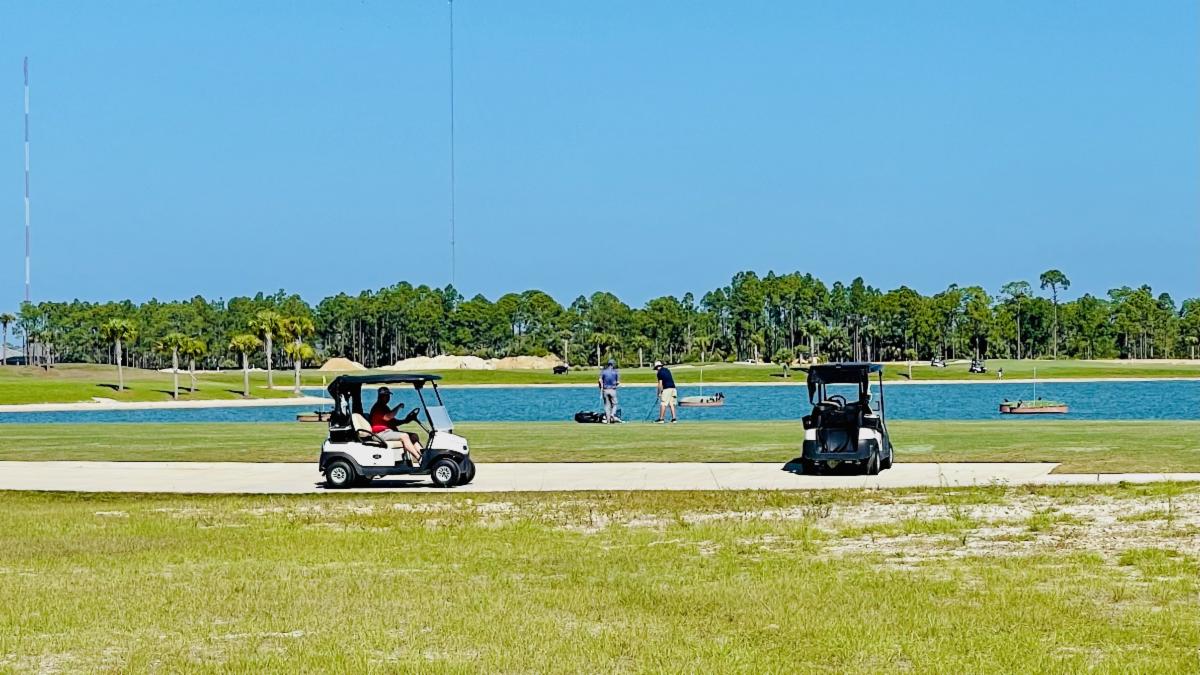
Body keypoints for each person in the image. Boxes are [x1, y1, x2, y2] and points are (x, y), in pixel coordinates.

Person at [368, 386, 423, 463]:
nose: (388, 398)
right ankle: (419, 458)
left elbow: (393, 422)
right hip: (379, 434)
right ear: (381, 397)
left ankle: (424, 456)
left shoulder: (385, 407)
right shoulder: (378, 407)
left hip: (388, 432)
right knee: (404, 436)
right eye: (386, 396)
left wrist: (405, 421)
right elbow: (388, 417)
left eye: (388, 396)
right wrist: (398, 407)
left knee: (413, 436)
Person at [599, 359, 621, 423]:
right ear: (613, 364)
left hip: (605, 390)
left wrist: (601, 388)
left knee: (607, 405)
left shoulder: (603, 372)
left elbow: (600, 381)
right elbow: (618, 382)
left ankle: (608, 421)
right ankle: (612, 414)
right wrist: (615, 385)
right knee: (615, 404)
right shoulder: (615, 372)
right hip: (612, 390)